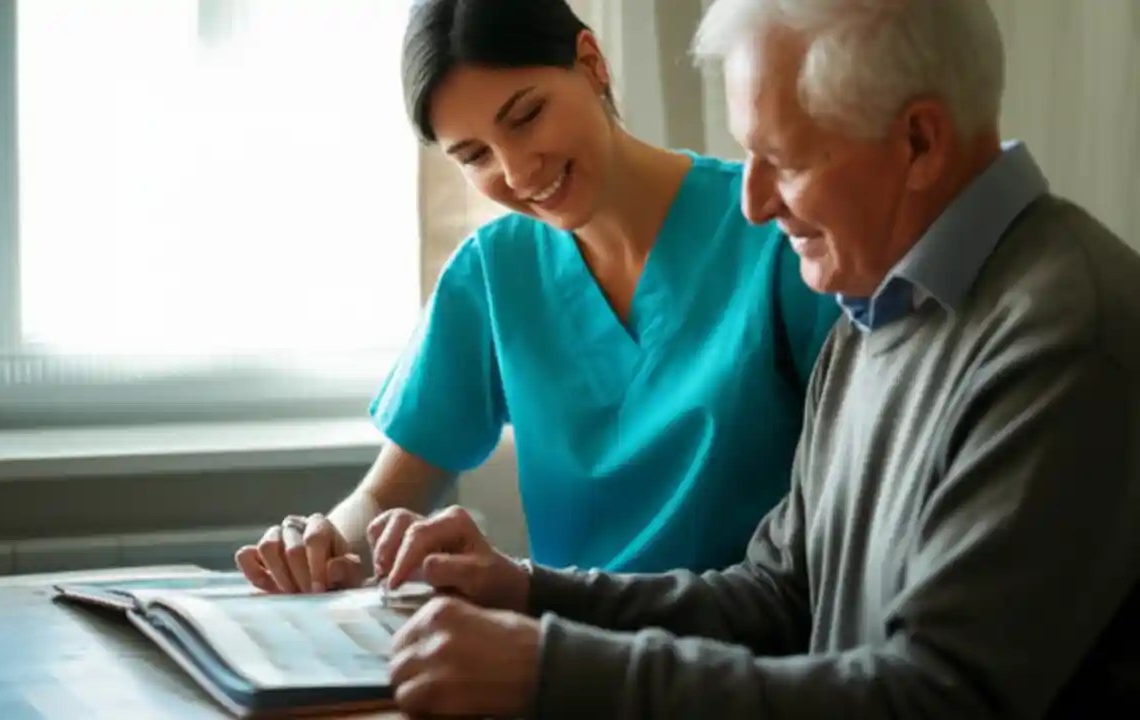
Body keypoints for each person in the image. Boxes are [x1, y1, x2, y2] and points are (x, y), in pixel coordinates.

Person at [371, 0, 1140, 717]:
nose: (755, 203)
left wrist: (553, 671)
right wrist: (526, 592)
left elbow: (937, 695)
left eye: (785, 160)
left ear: (919, 142)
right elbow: (779, 594)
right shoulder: (878, 313)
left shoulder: (1067, 337)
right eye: (749, 155)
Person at [233, 0, 838, 594]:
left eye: (525, 117)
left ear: (592, 63)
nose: (518, 173)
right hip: (556, 649)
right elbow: (385, 497)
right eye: (475, 156)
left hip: (741, 644)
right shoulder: (493, 273)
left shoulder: (781, 235)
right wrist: (321, 545)